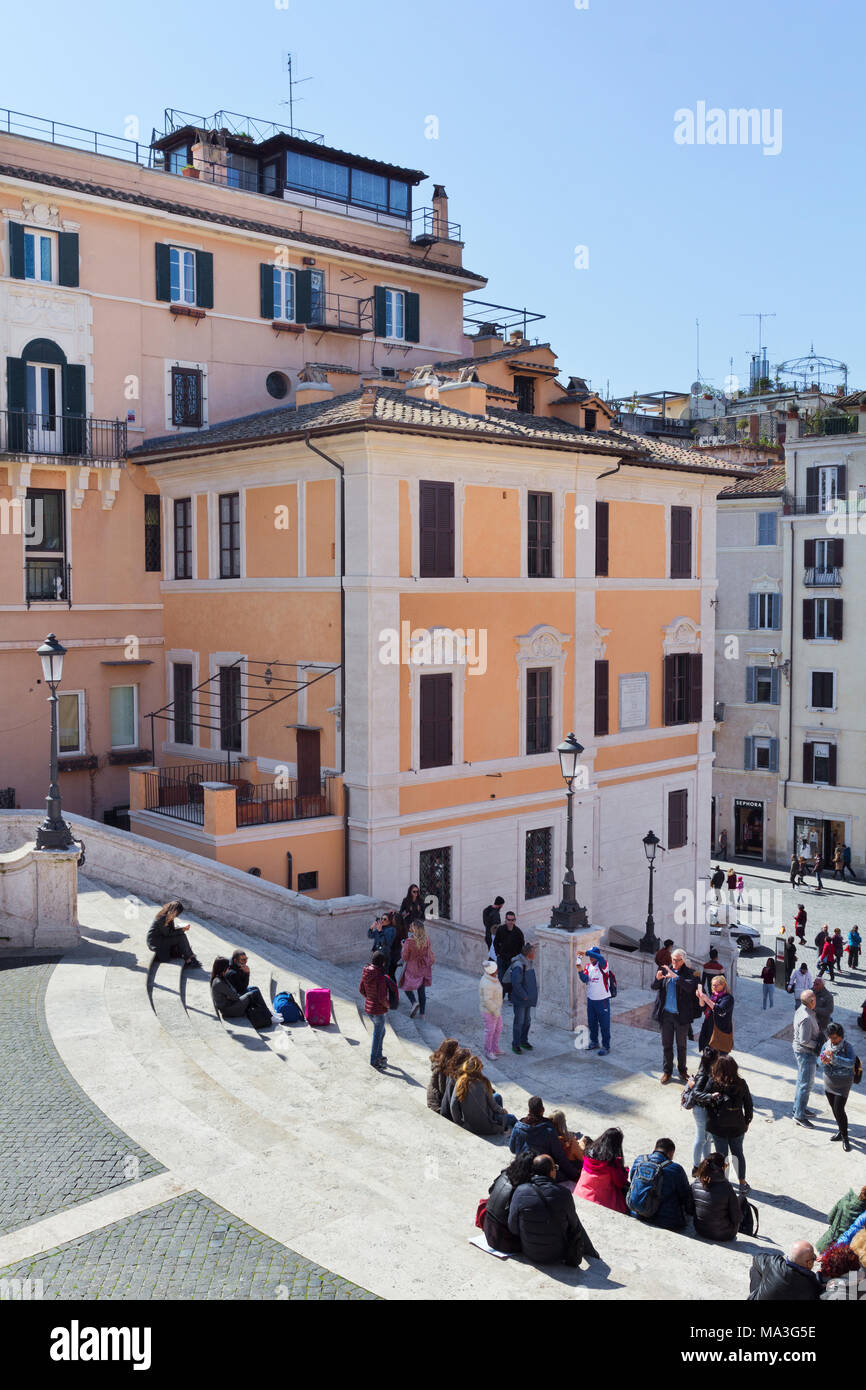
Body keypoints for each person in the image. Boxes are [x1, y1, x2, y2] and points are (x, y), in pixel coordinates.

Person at [507, 1155, 600, 1267]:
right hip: (557, 1254)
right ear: (551, 1172)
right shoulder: (564, 1194)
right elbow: (574, 1226)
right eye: (555, 1168)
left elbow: (513, 1227)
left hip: (530, 1252)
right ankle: (592, 1254)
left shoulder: (520, 1191)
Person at [705, 1054, 753, 1193]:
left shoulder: (713, 1083)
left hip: (718, 1126)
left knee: (722, 1156)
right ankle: (742, 1183)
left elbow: (705, 1100)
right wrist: (747, 1121)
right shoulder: (741, 1083)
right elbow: (749, 1104)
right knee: (738, 1154)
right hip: (737, 1126)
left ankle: (723, 1182)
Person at [651, 948, 699, 1084]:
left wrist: (675, 977)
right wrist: (657, 979)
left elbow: (690, 987)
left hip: (681, 1016)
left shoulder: (690, 973)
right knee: (667, 1045)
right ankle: (667, 1071)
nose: (675, 962)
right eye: (673, 959)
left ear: (683, 960)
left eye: (677, 960)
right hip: (666, 1015)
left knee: (681, 1046)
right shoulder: (665, 970)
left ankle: (682, 1070)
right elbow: (654, 986)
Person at [627, 1138, 695, 1231]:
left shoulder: (640, 1160)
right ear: (671, 1153)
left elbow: (632, 1180)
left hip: (637, 1212)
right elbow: (685, 1195)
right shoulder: (676, 1169)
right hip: (666, 1221)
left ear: (654, 1148)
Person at [509, 1096, 581, 1181]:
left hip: (522, 1169)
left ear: (529, 1110)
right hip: (541, 1173)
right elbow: (559, 1156)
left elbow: (512, 1149)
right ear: (543, 1110)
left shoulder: (518, 1126)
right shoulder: (548, 1130)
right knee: (575, 1165)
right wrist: (574, 1174)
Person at [482, 1152, 534, 1253]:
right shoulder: (522, 1188)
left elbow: (490, 1191)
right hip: (505, 1241)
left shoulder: (505, 1174)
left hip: (488, 1227)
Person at [450, 1055, 515, 1135]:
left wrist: (460, 1123)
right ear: (479, 1069)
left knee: (497, 1096)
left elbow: (453, 1105)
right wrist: (503, 1111)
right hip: (486, 1125)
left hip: (469, 1124)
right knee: (512, 1118)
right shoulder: (483, 1083)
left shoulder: (459, 1082)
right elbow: (493, 1105)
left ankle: (502, 1124)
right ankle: (504, 1128)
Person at [820, 1022, 857, 1152]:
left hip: (843, 1083)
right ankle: (841, 1132)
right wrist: (823, 1061)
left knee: (839, 1109)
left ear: (841, 1036)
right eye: (830, 1038)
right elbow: (820, 1060)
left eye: (835, 1038)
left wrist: (834, 1058)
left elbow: (851, 1062)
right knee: (834, 1110)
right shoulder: (826, 1045)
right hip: (829, 1081)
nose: (833, 1041)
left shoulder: (848, 1047)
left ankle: (845, 1137)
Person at [683, 1046, 719, 1176]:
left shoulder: (708, 1071)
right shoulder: (704, 1074)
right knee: (700, 1138)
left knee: (707, 1138)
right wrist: (711, 1096)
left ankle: (706, 1163)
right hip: (701, 1110)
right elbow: (697, 1093)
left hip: (705, 1110)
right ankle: (696, 1167)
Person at [575, 1127, 629, 1213]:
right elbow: (620, 1182)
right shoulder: (612, 1162)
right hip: (600, 1201)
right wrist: (625, 1171)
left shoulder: (588, 1152)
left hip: (580, 1192)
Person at [691, 1153, 743, 1242]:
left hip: (700, 1230)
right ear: (722, 1168)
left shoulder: (695, 1183)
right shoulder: (726, 1187)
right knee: (742, 1199)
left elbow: (690, 1208)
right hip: (723, 1235)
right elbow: (737, 1218)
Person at [748, 1243, 822, 1301]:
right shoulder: (811, 1284)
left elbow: (756, 1258)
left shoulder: (774, 1263)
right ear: (809, 1263)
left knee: (756, 1269)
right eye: (814, 1258)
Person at [577, 945, 612, 1056]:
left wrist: (585, 952)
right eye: (590, 956)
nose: (591, 958)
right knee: (592, 1023)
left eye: (593, 955)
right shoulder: (588, 966)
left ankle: (606, 1046)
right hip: (591, 1000)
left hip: (602, 1000)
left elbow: (600, 958)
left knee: (604, 1025)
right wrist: (579, 969)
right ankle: (594, 1042)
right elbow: (584, 979)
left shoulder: (603, 965)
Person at [792, 989, 820, 1127]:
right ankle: (799, 1115)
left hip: (802, 1051)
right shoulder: (806, 1017)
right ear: (811, 1002)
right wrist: (819, 1045)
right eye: (814, 998)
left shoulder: (801, 1009)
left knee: (801, 1081)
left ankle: (798, 1108)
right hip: (806, 1053)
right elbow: (804, 1040)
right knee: (806, 1084)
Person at [359, 949, 390, 1072]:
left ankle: (379, 1055)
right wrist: (388, 1005)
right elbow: (382, 998)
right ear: (382, 963)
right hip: (378, 1010)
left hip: (369, 1008)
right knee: (378, 1034)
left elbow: (361, 989)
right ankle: (374, 1060)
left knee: (382, 1032)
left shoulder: (366, 972)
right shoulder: (380, 976)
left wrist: (370, 998)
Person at [147, 900, 201, 968]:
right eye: (177, 913)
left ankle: (190, 957)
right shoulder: (163, 918)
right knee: (180, 937)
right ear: (174, 910)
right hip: (156, 942)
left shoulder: (168, 915)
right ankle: (189, 959)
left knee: (182, 936)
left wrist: (181, 928)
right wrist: (181, 930)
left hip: (162, 937)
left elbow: (169, 930)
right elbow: (168, 933)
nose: (177, 915)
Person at [509, 940, 538, 1054]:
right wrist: (524, 995)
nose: (534, 954)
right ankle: (515, 1044)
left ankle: (523, 1040)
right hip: (521, 999)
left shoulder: (528, 962)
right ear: (528, 953)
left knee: (527, 1021)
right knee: (519, 1022)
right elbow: (516, 983)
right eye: (533, 951)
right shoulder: (518, 965)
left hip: (527, 999)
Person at [816, 1185, 866, 1252]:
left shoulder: (846, 1199)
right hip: (841, 1253)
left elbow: (830, 1218)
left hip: (825, 1243)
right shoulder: (863, 1215)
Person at [401, 919, 434, 1018]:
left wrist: (403, 947)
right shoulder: (426, 939)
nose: (409, 928)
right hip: (424, 967)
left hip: (412, 967)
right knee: (421, 990)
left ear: (414, 929)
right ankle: (422, 1014)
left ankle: (414, 1002)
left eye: (411, 926)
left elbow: (405, 957)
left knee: (405, 985)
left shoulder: (409, 942)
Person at [696, 974, 734, 1053]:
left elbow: (719, 1009)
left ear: (723, 985)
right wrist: (701, 998)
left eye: (717, 985)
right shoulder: (713, 996)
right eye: (713, 985)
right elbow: (703, 1008)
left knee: (719, 1058)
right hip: (708, 1029)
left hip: (720, 1031)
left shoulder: (728, 998)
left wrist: (706, 999)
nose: (714, 987)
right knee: (707, 1056)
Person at [493, 912, 524, 998]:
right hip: (502, 958)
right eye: (509, 920)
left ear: (515, 920)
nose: (510, 922)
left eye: (512, 920)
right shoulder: (501, 929)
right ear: (505, 920)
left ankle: (511, 996)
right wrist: (498, 953)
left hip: (513, 960)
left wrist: (517, 958)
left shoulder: (518, 932)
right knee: (501, 978)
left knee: (512, 979)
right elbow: (495, 942)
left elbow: (522, 946)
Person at [479, 959, 504, 1060]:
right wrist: (496, 1011)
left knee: (498, 1028)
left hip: (495, 1010)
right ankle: (488, 1051)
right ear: (493, 971)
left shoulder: (492, 978)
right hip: (489, 1011)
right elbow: (487, 1001)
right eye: (496, 969)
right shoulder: (487, 983)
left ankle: (495, 1048)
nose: (498, 971)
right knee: (490, 1031)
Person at [439, 1046, 471, 1120]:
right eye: (469, 1059)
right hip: (450, 1114)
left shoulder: (451, 1070)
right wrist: (458, 1122)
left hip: (445, 1109)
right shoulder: (459, 1077)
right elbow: (454, 1104)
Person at [427, 1038, 458, 1112]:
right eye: (456, 1048)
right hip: (436, 1102)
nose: (458, 1050)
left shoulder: (439, 1058)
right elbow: (442, 1088)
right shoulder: (440, 1067)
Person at [813, 976, 834, 1047]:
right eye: (814, 983)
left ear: (822, 985)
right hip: (812, 1021)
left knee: (821, 1043)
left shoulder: (828, 996)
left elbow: (829, 1010)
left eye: (817, 984)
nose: (814, 986)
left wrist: (816, 1009)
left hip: (822, 1024)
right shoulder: (812, 991)